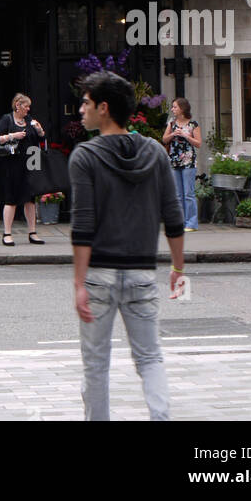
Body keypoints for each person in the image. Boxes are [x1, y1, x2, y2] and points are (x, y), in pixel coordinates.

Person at [69, 71, 186, 422]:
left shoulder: (84, 156)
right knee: (150, 358)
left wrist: (78, 283)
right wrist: (178, 268)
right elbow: (174, 216)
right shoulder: (154, 151)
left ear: (104, 108)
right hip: (141, 273)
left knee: (96, 365)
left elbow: (83, 225)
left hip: (99, 275)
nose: (81, 110)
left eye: (86, 103)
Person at [0, 92, 46, 245]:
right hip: (12, 163)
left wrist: (40, 130)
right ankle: (7, 234)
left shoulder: (30, 120)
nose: (28, 109)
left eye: (29, 106)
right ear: (17, 105)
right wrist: (12, 136)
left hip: (30, 162)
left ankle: (32, 232)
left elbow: (41, 138)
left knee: (30, 198)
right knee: (11, 198)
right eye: (26, 106)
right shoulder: (7, 119)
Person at [162, 97, 202, 232]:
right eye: (173, 107)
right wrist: (174, 133)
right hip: (174, 161)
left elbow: (198, 143)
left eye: (175, 107)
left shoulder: (193, 125)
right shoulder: (171, 123)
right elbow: (164, 139)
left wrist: (186, 136)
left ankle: (191, 223)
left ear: (182, 109)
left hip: (188, 161)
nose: (173, 109)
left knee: (188, 193)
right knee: (178, 194)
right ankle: (180, 221)